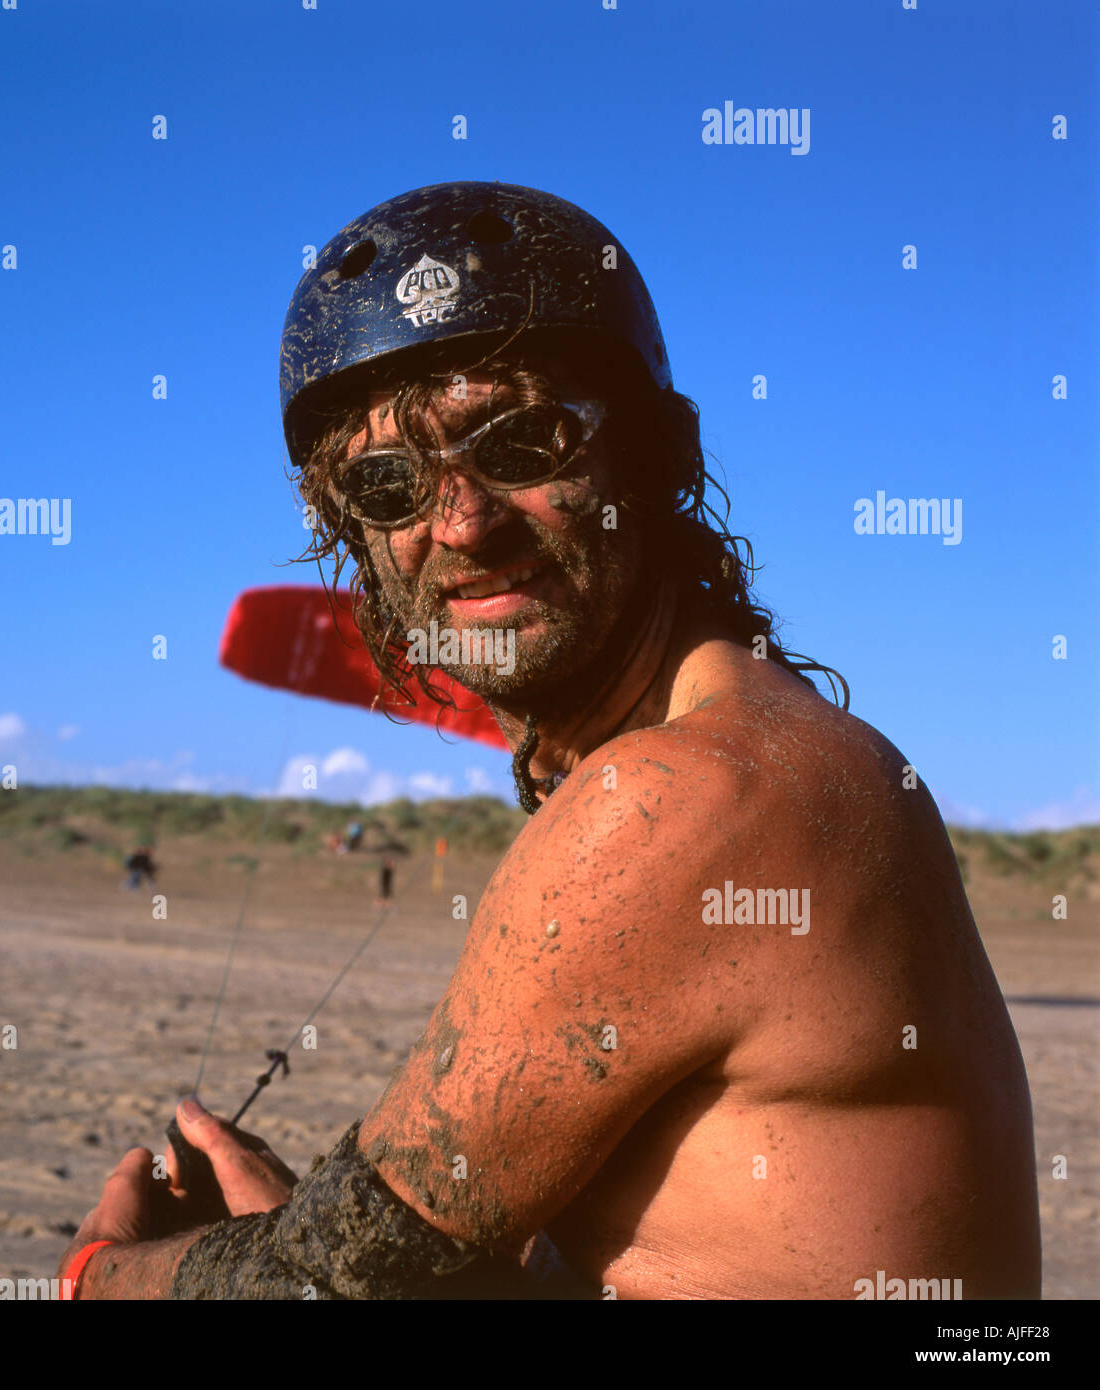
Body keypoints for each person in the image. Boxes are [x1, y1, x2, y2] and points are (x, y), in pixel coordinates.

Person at [59, 181, 1040, 1300]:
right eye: (391, 483)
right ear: (357, 536)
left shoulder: (682, 798)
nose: (463, 520)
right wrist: (315, 1229)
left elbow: (320, 1288)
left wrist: (98, 1270)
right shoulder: (758, 748)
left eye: (526, 442)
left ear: (661, 455)